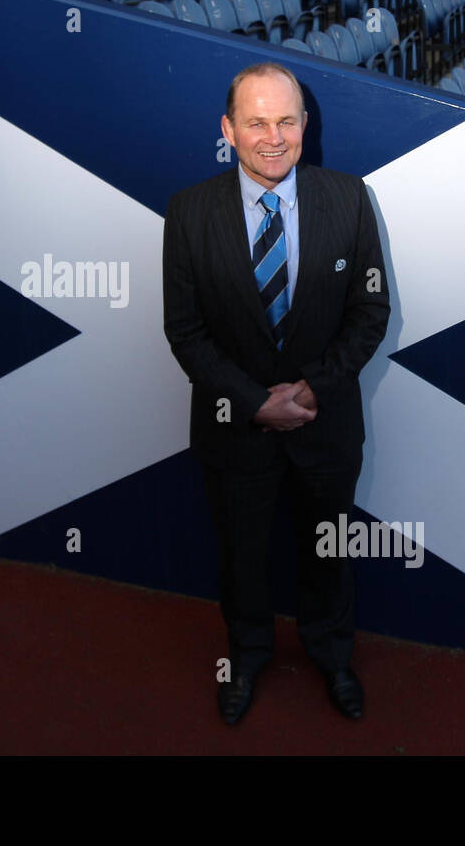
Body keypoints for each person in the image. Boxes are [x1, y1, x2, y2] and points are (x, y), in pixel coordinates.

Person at [162, 62, 390, 726]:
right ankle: (246, 656)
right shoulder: (188, 211)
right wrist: (255, 400)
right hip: (234, 429)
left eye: (286, 120)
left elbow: (370, 312)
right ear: (228, 129)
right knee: (241, 560)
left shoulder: (349, 199)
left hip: (326, 430)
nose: (273, 137)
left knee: (329, 552)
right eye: (256, 122)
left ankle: (332, 654)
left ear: (305, 125)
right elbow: (185, 329)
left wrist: (312, 390)